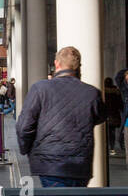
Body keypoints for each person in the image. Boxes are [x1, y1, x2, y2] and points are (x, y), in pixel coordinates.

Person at [15, 46, 104, 187]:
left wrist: (26, 149)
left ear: (56, 63)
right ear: (78, 66)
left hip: (49, 163)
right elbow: (100, 117)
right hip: (81, 164)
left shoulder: (40, 88)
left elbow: (24, 126)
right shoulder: (92, 92)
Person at [102, 77, 123, 155]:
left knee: (105, 132)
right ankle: (112, 148)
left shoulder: (103, 91)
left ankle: (105, 148)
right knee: (112, 132)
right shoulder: (116, 91)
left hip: (105, 114)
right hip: (114, 114)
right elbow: (120, 104)